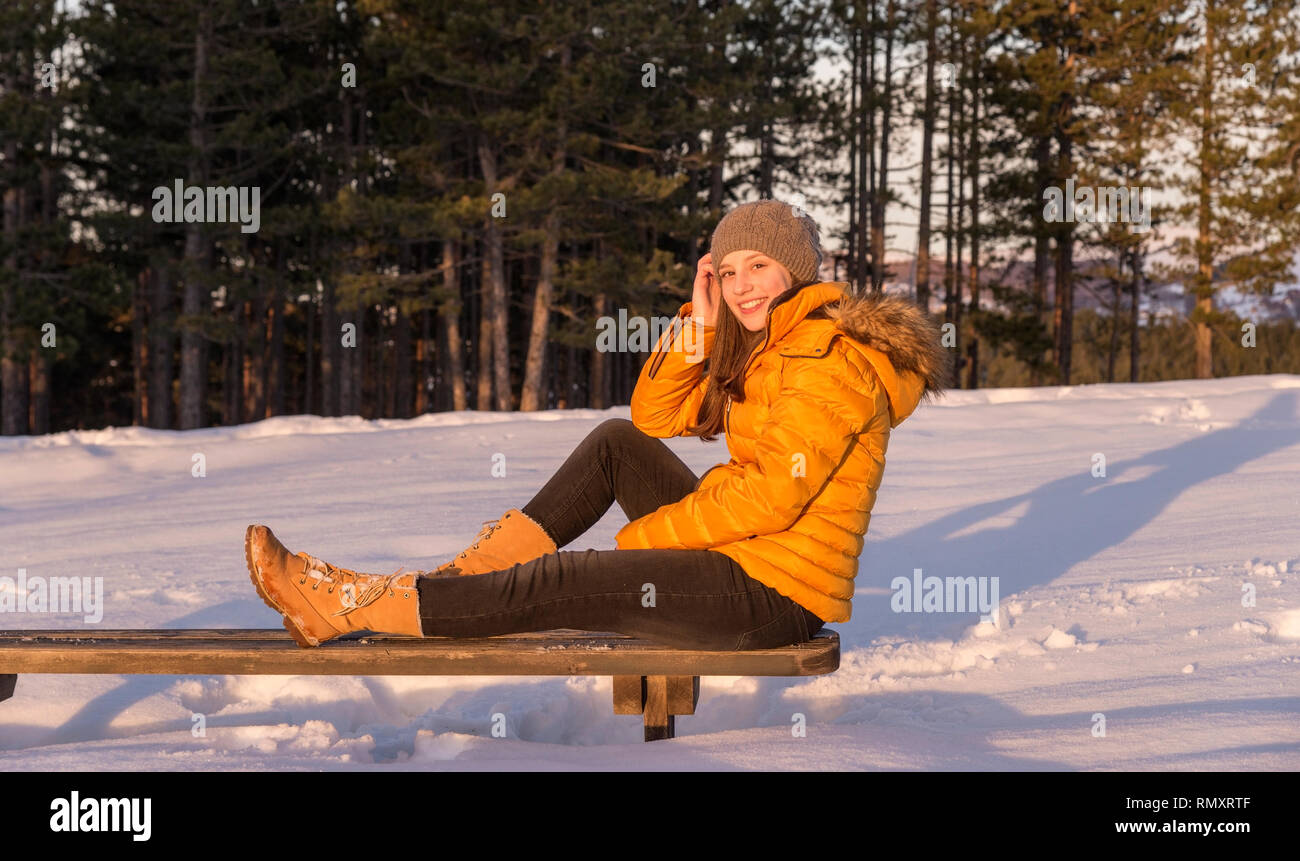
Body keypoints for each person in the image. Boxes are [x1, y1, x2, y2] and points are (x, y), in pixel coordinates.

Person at [245, 199, 949, 651]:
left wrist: (645, 542)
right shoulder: (770, 344)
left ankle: (353, 605)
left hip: (772, 595)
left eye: (759, 266)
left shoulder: (826, 358)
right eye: (728, 270)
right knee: (619, 443)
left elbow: (772, 496)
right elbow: (656, 416)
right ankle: (469, 577)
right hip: (747, 555)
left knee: (569, 579)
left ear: (797, 271)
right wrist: (699, 329)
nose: (741, 285)